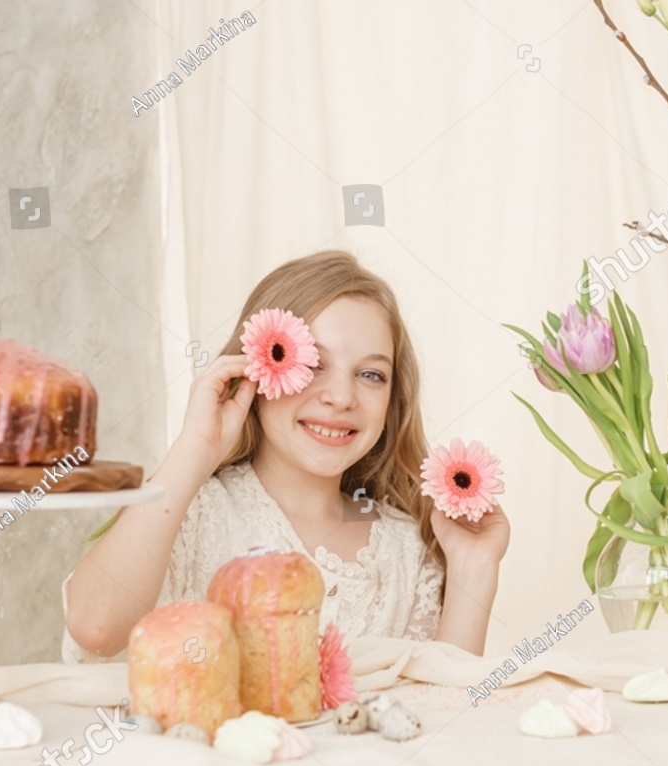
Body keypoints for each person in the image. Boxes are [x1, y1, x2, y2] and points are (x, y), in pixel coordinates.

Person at [63, 250, 509, 661]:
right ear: (258, 366)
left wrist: (474, 568)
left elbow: (443, 717)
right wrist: (195, 447)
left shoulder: (405, 550)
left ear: (392, 402)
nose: (340, 397)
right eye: (313, 364)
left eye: (371, 374)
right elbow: (96, 626)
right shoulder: (191, 515)